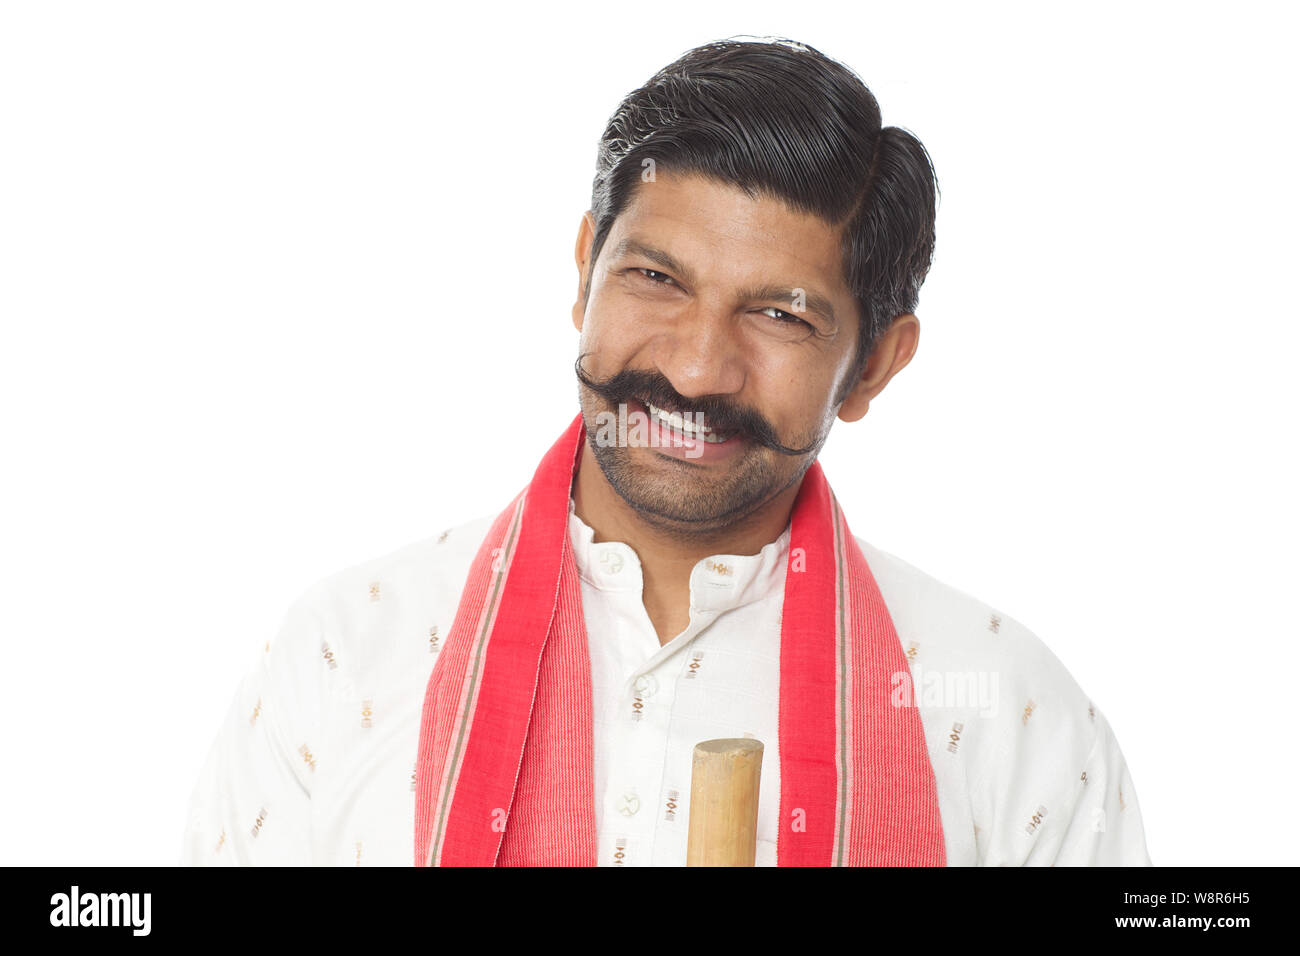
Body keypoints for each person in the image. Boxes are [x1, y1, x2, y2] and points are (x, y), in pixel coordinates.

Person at [182, 37, 1151, 867]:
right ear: (583, 271)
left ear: (874, 367)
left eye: (779, 313)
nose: (694, 368)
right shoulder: (344, 658)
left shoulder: (1010, 718)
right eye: (655, 276)